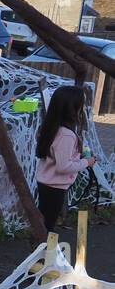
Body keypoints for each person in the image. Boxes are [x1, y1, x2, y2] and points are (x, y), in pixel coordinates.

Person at [35, 85, 95, 232]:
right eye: (82, 104)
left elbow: (59, 156)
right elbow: (63, 166)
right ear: (73, 108)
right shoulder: (66, 134)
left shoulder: (53, 127)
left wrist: (78, 156)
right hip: (54, 187)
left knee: (44, 223)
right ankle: (42, 253)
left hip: (47, 184)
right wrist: (86, 162)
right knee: (47, 226)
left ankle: (42, 251)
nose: (84, 108)